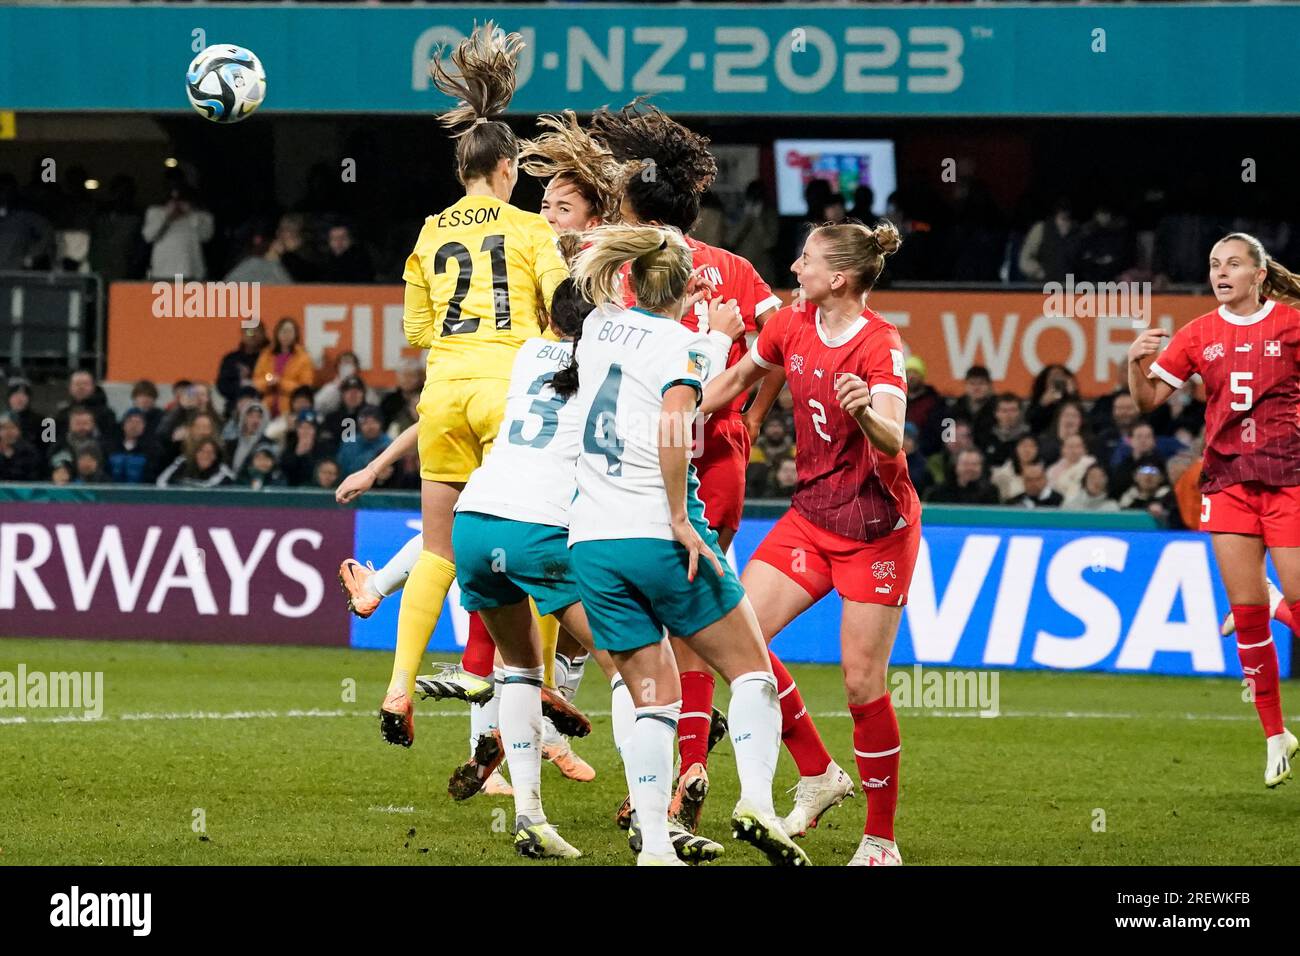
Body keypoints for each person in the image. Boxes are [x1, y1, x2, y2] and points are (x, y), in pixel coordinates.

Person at [567, 223, 808, 866]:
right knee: (753, 670)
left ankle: (654, 846)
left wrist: (695, 321)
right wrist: (678, 515)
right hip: (656, 532)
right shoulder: (686, 346)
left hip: (591, 540)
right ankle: (757, 800)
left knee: (653, 697)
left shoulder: (597, 326)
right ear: (687, 287)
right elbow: (679, 417)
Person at [589, 100, 790, 829]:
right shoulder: (734, 265)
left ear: (632, 203)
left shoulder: (621, 268)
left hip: (646, 460)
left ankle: (668, 772)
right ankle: (696, 768)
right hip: (724, 454)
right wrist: (756, 409)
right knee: (702, 620)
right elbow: (785, 335)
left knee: (655, 630)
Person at [371, 24, 568, 749]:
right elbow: (560, 307)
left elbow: (419, 330)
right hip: (508, 394)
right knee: (542, 541)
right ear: (509, 167)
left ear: (463, 171)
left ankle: (398, 683)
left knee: (438, 547)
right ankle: (536, 680)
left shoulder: (427, 234)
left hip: (444, 395)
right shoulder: (528, 230)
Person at [703, 219, 919, 866]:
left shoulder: (881, 345)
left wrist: (863, 411)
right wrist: (678, 415)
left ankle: (881, 841)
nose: (794, 269)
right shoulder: (790, 324)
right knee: (738, 641)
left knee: (860, 683)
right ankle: (820, 774)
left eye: (806, 260)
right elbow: (736, 382)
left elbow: (895, 439)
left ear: (840, 279)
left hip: (877, 530)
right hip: (811, 519)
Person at [446, 276, 623, 860]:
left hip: (473, 520)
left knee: (519, 670)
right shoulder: (605, 372)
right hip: (537, 530)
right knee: (630, 669)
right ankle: (655, 822)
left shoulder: (527, 353)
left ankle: (530, 817)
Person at [1129, 230, 1300, 787]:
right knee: (1244, 610)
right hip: (1226, 483)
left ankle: (1281, 605)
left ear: (1258, 272)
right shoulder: (1199, 333)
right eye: (1212, 265)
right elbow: (1148, 401)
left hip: (1287, 481)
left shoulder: (1292, 324)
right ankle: (1275, 734)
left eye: (1232, 264)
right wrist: (1136, 364)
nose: (1220, 272)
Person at [142, 181, 213, 280]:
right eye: (173, 200)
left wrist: (190, 215)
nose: (176, 204)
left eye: (180, 200)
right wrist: (167, 217)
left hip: (192, 272)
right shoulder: (155, 212)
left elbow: (206, 236)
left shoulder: (202, 216)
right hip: (162, 273)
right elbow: (148, 237)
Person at [253, 317, 316, 417]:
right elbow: (256, 381)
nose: (286, 335)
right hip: (266, 406)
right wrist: (267, 382)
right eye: (283, 331)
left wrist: (281, 383)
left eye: (290, 331)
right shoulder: (266, 354)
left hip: (290, 408)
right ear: (277, 333)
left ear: (296, 335)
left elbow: (305, 388)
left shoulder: (303, 358)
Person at [216, 324, 268, 407]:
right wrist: (241, 384)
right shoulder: (231, 359)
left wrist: (253, 381)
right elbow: (222, 386)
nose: (253, 335)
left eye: (257, 331)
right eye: (249, 331)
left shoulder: (271, 358)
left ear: (264, 334)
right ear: (242, 334)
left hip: (266, 403)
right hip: (236, 405)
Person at [107, 408, 162, 484]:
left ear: (144, 426)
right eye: (130, 422)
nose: (134, 426)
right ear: (123, 425)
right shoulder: (111, 446)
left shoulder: (153, 448)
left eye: (138, 422)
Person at [156, 437, 235, 488]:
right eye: (201, 451)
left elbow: (209, 493)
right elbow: (161, 482)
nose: (205, 455)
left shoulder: (224, 474)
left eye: (210, 452)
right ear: (195, 453)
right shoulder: (182, 462)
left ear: (215, 456)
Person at [926, 448, 998, 504]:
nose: (970, 468)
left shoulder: (991, 493)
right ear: (956, 466)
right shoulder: (938, 493)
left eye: (975, 464)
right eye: (965, 464)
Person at [335, 406, 390, 477]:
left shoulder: (389, 444)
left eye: (374, 422)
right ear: (359, 426)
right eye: (365, 423)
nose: (370, 427)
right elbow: (339, 469)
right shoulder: (349, 443)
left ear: (381, 424)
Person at [0, 412, 42, 481]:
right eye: (3, 428)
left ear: (19, 429)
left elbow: (32, 476)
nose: (8, 431)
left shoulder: (30, 451)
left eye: (12, 427)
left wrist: (10, 456)